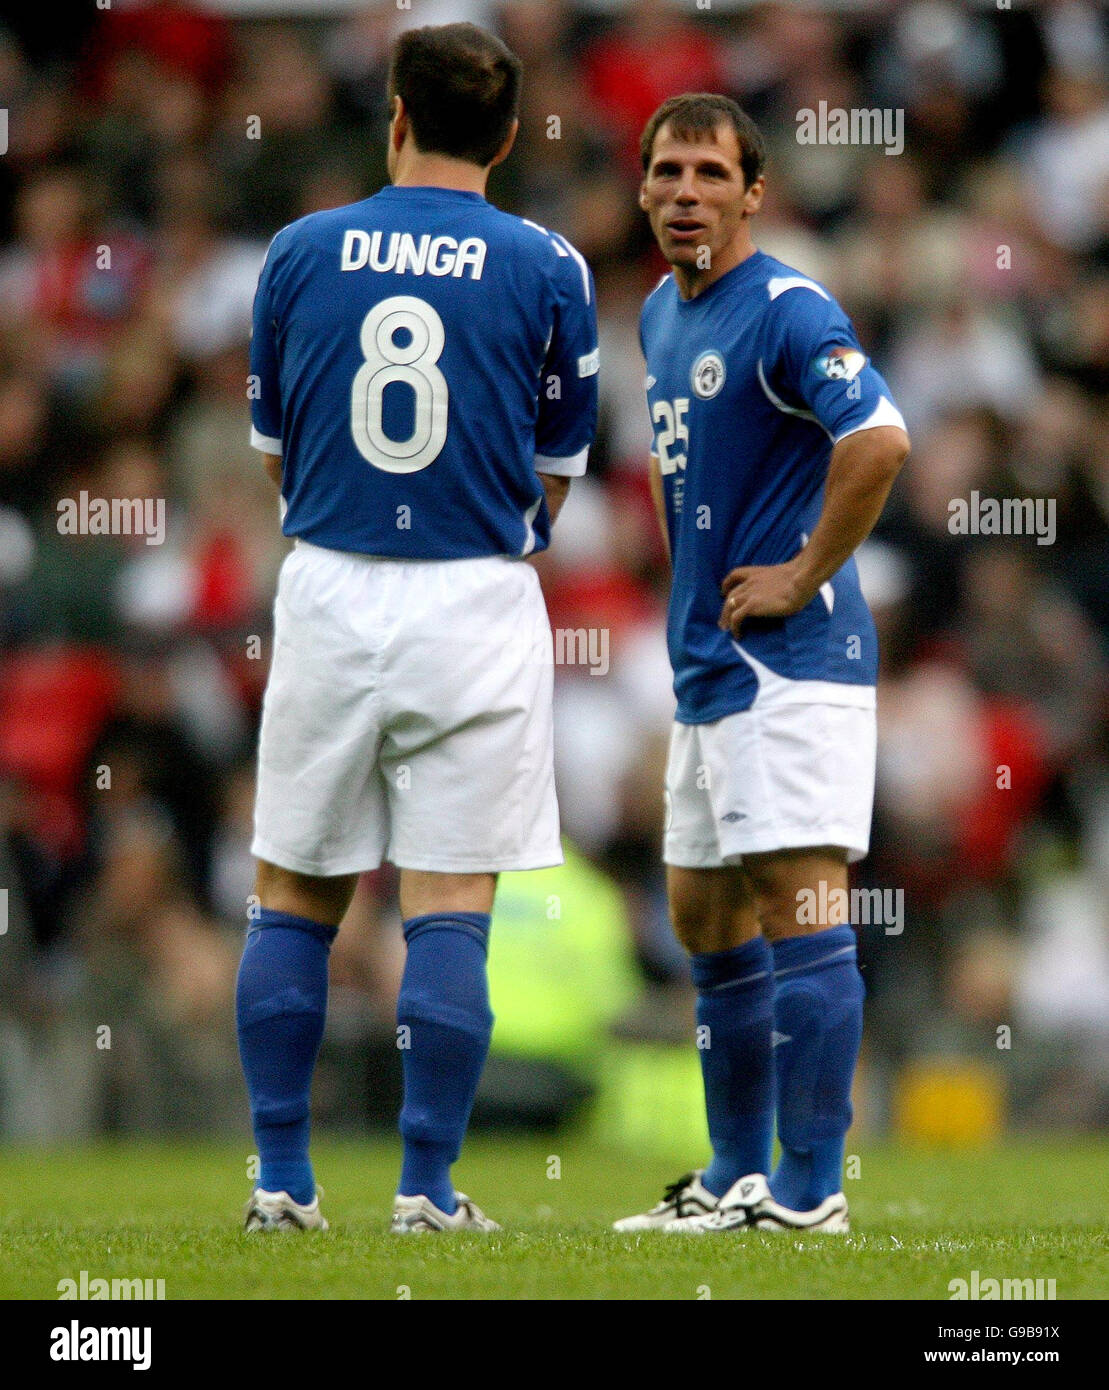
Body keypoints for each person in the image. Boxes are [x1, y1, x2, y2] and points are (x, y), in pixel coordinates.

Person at [239, 22, 598, 1235]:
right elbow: (555, 475)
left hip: (332, 579)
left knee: (292, 889)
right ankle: (426, 1189)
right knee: (449, 898)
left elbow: (279, 453)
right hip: (473, 595)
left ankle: (282, 1184)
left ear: (392, 116)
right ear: (505, 136)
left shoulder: (296, 250)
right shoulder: (549, 264)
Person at [614, 94, 910, 1234]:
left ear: (753, 191)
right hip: (705, 665)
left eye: (707, 172)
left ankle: (808, 1190)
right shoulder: (654, 315)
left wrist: (795, 569)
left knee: (799, 907)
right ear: (641, 188)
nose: (685, 190)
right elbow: (668, 468)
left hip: (793, 660)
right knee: (703, 918)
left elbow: (877, 438)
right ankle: (735, 1176)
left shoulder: (788, 307)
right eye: (666, 171)